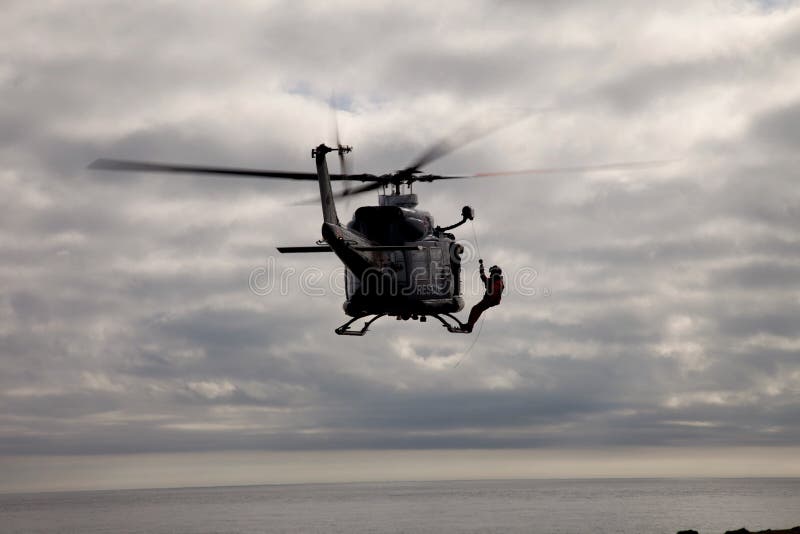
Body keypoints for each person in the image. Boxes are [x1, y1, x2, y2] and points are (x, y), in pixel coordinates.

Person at [463, 259, 504, 332]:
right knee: (477, 310)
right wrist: (481, 268)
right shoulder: (494, 280)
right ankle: (470, 325)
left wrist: (489, 299)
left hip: (490, 300)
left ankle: (469, 326)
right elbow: (483, 277)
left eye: (492, 272)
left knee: (475, 309)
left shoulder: (497, 281)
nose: (491, 273)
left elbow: (494, 289)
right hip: (490, 300)